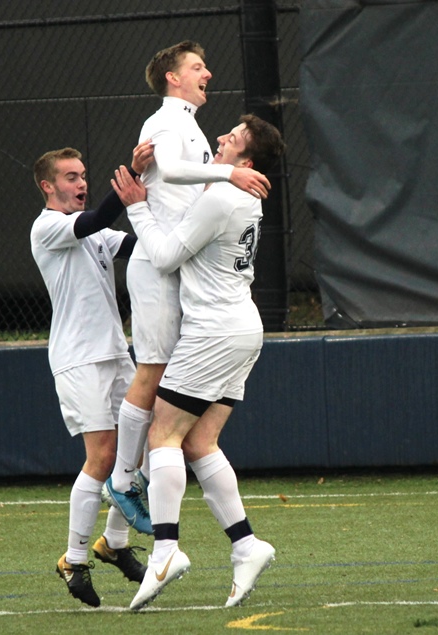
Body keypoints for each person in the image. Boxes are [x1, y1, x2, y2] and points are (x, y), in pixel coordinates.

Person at [111, 114, 286, 610]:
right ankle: (246, 544)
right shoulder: (240, 192)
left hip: (214, 331)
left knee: (163, 435)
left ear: (246, 159)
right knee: (200, 441)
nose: (222, 138)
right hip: (241, 328)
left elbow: (166, 256)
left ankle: (165, 550)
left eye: (234, 137)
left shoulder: (224, 196)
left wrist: (137, 206)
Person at [105, 40, 272, 535]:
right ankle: (122, 480)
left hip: (175, 264)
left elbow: (183, 187)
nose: (208, 73)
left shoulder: (191, 126)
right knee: (153, 372)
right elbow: (174, 171)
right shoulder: (164, 121)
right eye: (198, 66)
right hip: (157, 264)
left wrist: (226, 176)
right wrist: (229, 172)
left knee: (168, 394)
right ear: (172, 78)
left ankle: (117, 532)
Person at [30, 144, 155, 607]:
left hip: (116, 352)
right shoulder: (48, 226)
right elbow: (98, 218)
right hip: (78, 358)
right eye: (71, 177)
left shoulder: (96, 230)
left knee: (141, 448)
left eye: (83, 175)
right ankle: (74, 560)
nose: (81, 183)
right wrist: (130, 182)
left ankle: (114, 543)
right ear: (48, 186)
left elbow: (140, 247)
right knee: (102, 457)